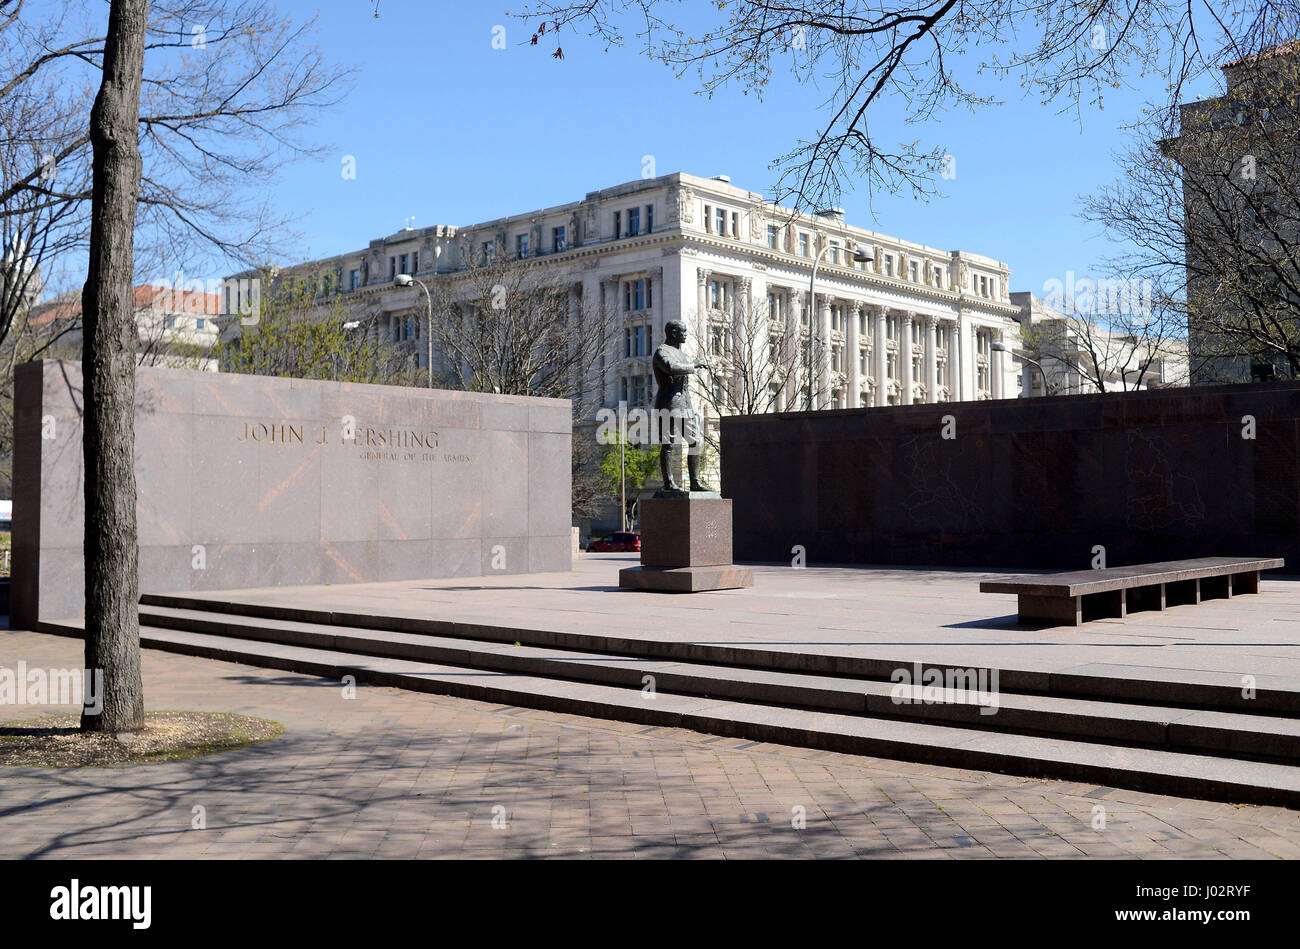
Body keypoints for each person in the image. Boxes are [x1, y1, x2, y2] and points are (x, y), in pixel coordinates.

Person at [652, 320, 712, 493]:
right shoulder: (662, 351)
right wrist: (694, 365)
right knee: (668, 444)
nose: (685, 334)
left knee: (696, 441)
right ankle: (669, 483)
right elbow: (671, 367)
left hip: (685, 403)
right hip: (668, 403)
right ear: (672, 333)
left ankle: (695, 482)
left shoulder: (680, 352)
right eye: (682, 332)